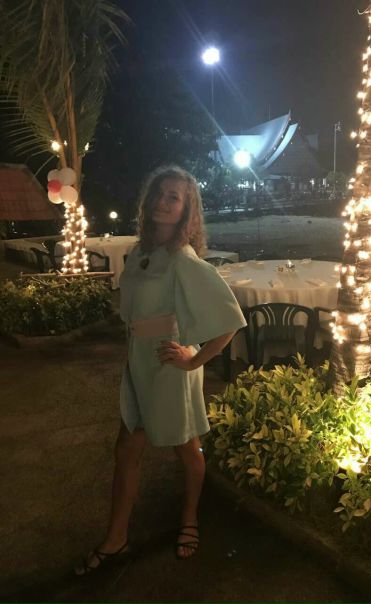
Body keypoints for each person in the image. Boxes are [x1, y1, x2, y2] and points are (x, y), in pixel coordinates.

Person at [76, 165, 246, 574]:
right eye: (159, 193)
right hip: (139, 362)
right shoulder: (140, 253)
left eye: (174, 197)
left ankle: (189, 518)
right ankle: (116, 538)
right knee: (126, 449)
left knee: (186, 447)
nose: (163, 202)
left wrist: (193, 360)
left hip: (169, 365)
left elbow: (229, 320)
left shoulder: (182, 259)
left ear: (187, 209)